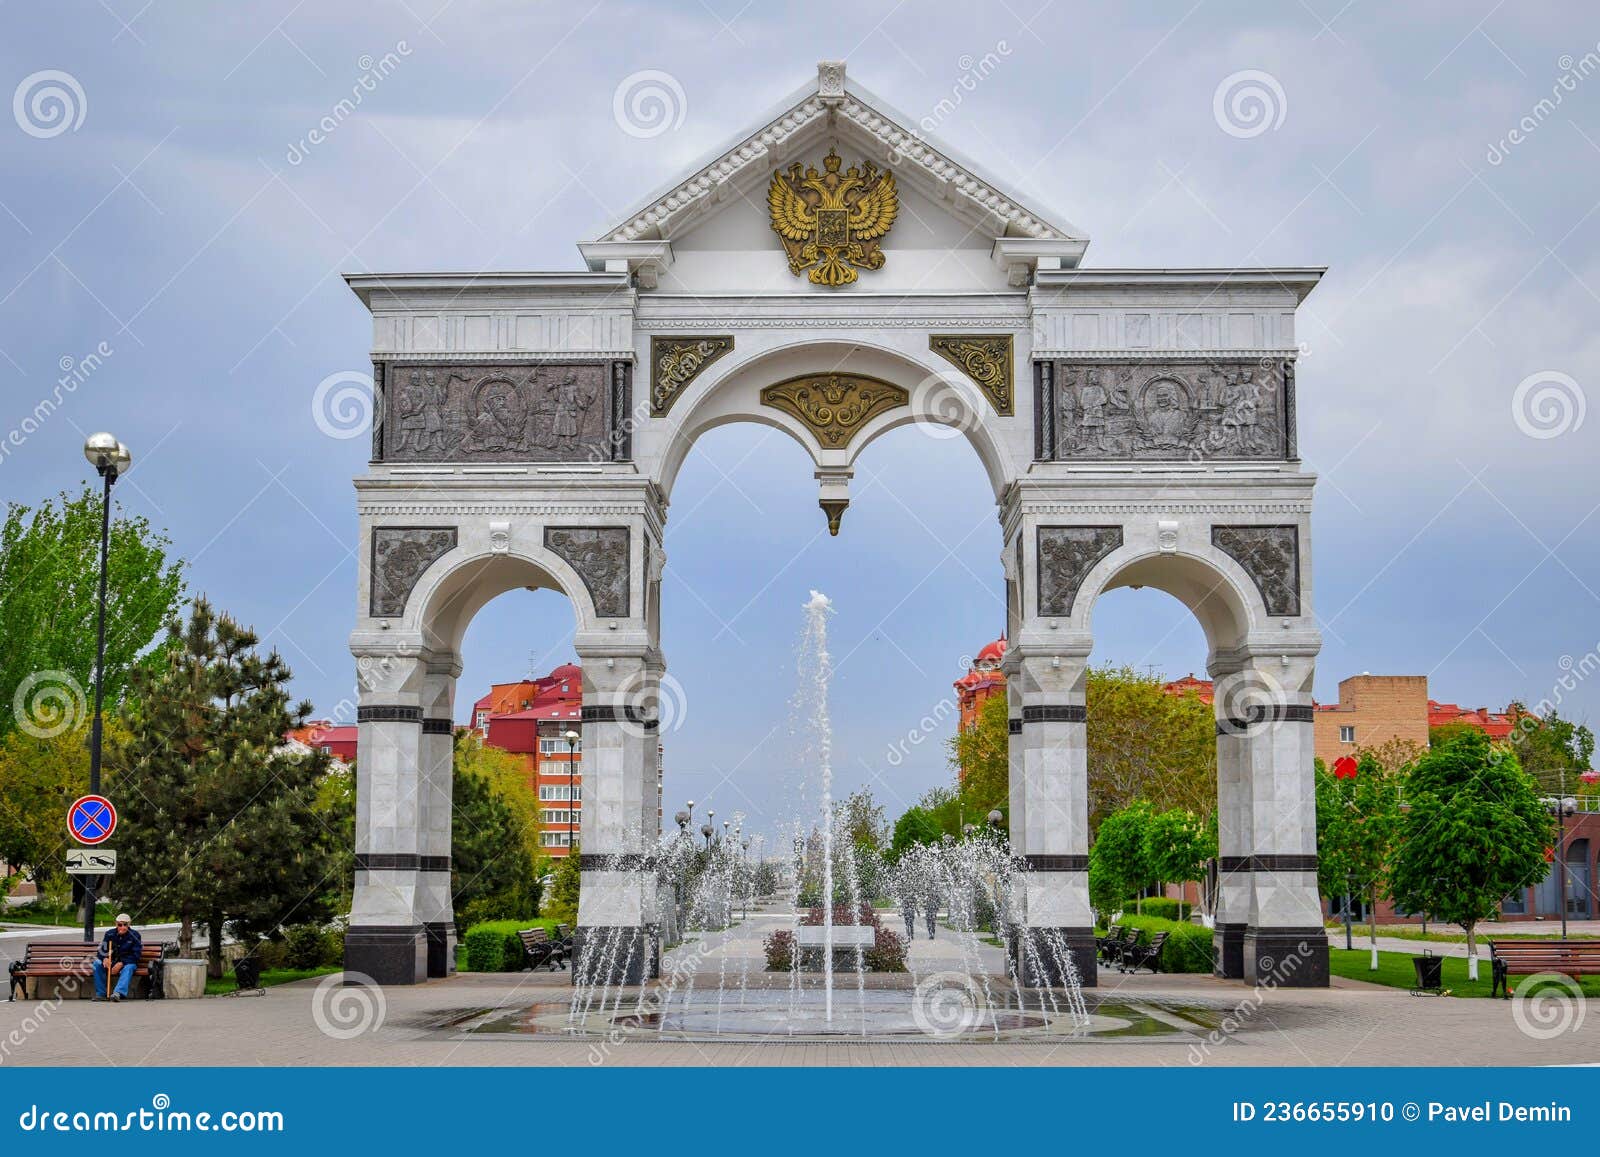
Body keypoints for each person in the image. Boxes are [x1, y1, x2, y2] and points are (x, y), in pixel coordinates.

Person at [92, 914, 142, 1002]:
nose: (122, 927)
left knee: (129, 967)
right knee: (97, 963)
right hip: (112, 962)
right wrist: (105, 958)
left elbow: (136, 955)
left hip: (127, 963)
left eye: (125, 925)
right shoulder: (109, 934)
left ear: (129, 924)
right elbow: (101, 952)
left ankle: (118, 993)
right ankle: (101, 994)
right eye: (119, 925)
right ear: (116, 924)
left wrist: (122, 963)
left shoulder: (135, 935)